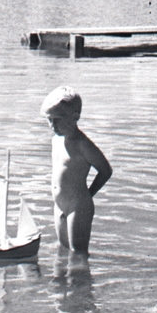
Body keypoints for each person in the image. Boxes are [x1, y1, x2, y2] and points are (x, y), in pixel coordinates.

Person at [41, 86, 112, 254]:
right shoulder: (56, 140)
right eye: (49, 120)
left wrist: (88, 194)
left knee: (78, 253)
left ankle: (80, 279)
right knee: (63, 250)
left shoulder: (82, 144)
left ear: (75, 117)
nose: (52, 125)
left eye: (57, 119)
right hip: (59, 204)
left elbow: (106, 170)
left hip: (78, 206)